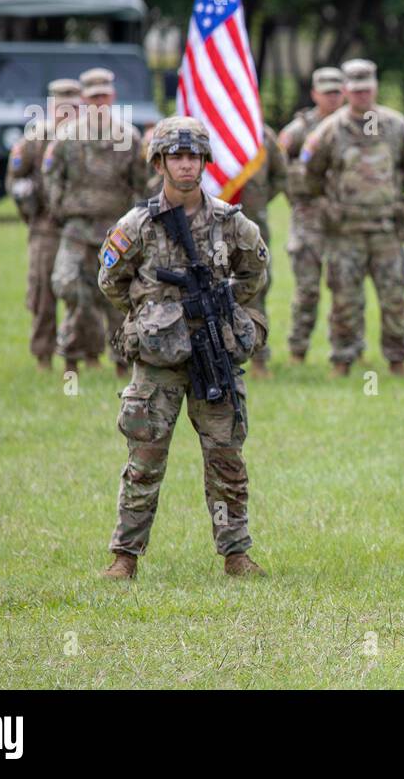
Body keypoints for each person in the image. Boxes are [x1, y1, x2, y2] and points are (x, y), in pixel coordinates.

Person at [98, 117, 269, 580]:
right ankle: (124, 557)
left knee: (226, 459)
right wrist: (150, 314)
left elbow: (254, 275)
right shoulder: (138, 224)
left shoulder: (230, 223)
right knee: (144, 461)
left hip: (214, 357)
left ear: (205, 162)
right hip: (158, 363)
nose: (186, 164)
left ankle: (236, 553)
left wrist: (225, 308)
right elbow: (111, 281)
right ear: (159, 163)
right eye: (176, 156)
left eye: (193, 156)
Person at [302, 59, 404, 376]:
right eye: (356, 91)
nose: (362, 96)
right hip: (345, 231)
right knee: (344, 299)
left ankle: (397, 360)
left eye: (367, 89)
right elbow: (312, 172)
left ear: (375, 88)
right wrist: (334, 201)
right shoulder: (329, 130)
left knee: (394, 298)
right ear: (346, 91)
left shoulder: (396, 126)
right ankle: (342, 359)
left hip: (386, 229)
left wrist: (389, 192)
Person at [43, 67, 149, 377]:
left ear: (112, 97)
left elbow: (140, 184)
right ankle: (72, 359)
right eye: (93, 98)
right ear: (84, 100)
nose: (99, 102)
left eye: (103, 96)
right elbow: (52, 178)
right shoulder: (67, 137)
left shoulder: (128, 138)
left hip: (115, 231)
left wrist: (133, 224)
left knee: (119, 296)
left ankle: (121, 362)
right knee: (71, 289)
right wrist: (61, 208)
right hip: (77, 228)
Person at [7, 78, 79, 370]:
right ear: (50, 108)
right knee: (42, 293)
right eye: (62, 107)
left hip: (79, 228)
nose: (67, 113)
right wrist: (29, 210)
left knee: (81, 294)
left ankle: (79, 355)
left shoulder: (88, 138)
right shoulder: (35, 139)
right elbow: (14, 179)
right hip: (46, 228)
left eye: (74, 107)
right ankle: (43, 354)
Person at [277, 67, 345, 363]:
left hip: (343, 221)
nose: (332, 97)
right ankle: (297, 350)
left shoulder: (353, 125)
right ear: (314, 93)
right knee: (307, 290)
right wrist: (297, 196)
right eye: (326, 91)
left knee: (344, 290)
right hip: (308, 219)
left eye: (336, 91)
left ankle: (344, 351)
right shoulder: (299, 130)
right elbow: (278, 168)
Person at [237, 126, 289, 376]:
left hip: (252, 228)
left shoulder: (262, 134)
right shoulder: (203, 124)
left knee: (256, 289)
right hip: (204, 228)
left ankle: (259, 359)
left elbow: (281, 176)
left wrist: (258, 201)